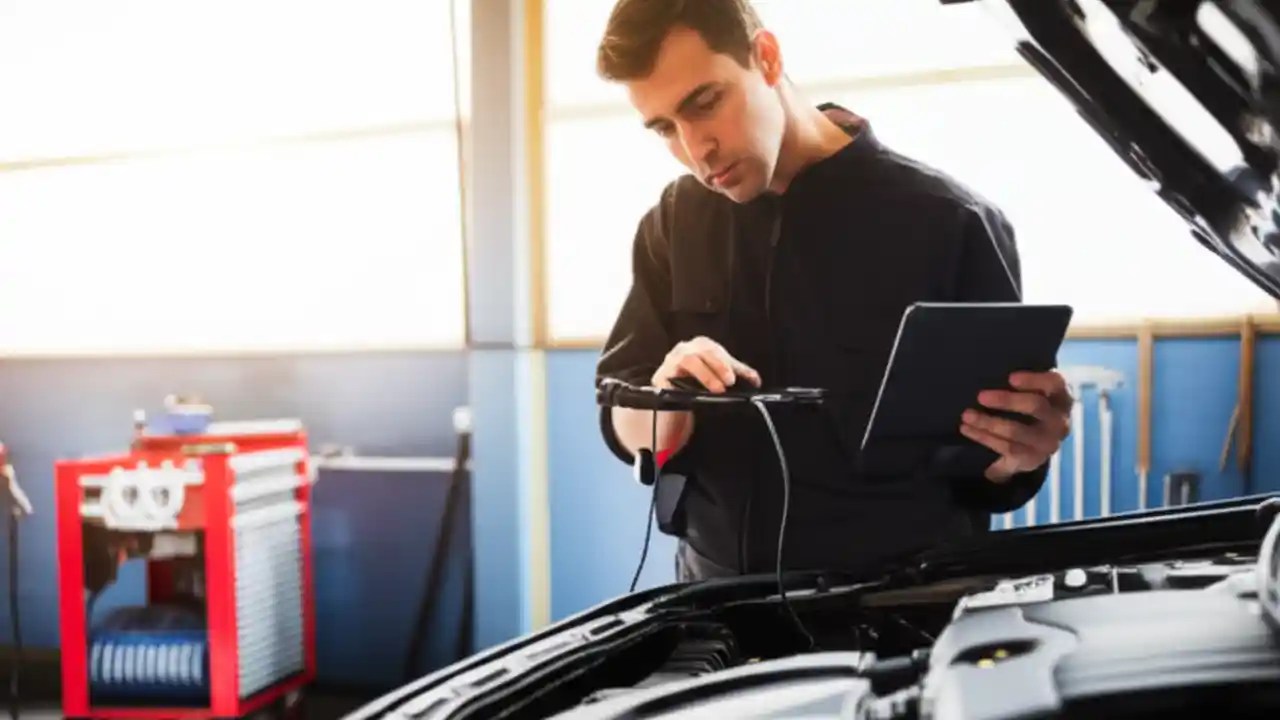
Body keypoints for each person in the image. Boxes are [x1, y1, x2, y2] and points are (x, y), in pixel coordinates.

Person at [592, 0, 1073, 582]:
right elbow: (621, 413)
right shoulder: (672, 222)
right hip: (713, 603)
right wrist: (665, 407)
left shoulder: (950, 222)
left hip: (900, 609)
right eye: (665, 127)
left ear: (766, 58)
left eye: (705, 102)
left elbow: (992, 473)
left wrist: (1019, 454)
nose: (696, 150)